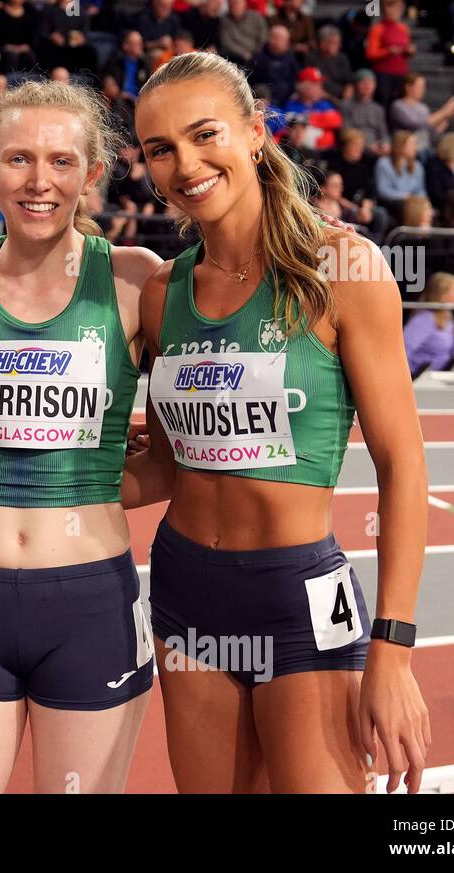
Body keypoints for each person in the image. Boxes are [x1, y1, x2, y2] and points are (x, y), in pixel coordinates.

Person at [132, 51, 431, 794]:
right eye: (159, 149)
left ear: (256, 132)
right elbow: (168, 467)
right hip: (182, 592)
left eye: (206, 135)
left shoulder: (345, 270)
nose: (185, 164)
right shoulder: (163, 292)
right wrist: (30, 471)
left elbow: (403, 465)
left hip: (298, 601)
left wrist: (393, 649)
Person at [0, 80, 169, 794]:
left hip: (90, 603)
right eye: (18, 158)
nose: (39, 180)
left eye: (60, 161)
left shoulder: (135, 279)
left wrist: (93, 485)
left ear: (92, 173)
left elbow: (190, 442)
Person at [403, 272, 454, 376]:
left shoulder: (448, 319)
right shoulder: (423, 320)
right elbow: (403, 351)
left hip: (441, 376)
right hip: (421, 380)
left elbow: (449, 354)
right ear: (443, 294)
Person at [390, 74, 454, 151]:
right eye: (419, 87)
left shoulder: (423, 107)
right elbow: (418, 124)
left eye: (424, 87)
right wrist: (444, 112)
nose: (423, 90)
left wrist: (447, 116)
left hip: (426, 148)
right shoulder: (398, 105)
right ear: (408, 87)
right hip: (407, 150)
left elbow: (431, 133)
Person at [282, 67, 344, 152]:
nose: (320, 88)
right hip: (300, 152)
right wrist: (321, 120)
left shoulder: (324, 103)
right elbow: (289, 124)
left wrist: (308, 118)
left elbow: (336, 120)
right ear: (304, 87)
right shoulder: (293, 103)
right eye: (316, 85)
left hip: (326, 152)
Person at [366, 0, 415, 105]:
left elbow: (407, 49)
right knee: (385, 103)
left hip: (400, 73)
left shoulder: (403, 28)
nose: (396, 11)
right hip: (383, 74)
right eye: (392, 7)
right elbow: (370, 53)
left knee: (399, 104)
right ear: (385, 9)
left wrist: (409, 51)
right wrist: (388, 51)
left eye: (399, 8)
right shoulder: (378, 29)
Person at [339, 70, 391, 155]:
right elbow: (346, 132)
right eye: (363, 82)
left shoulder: (378, 109)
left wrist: (385, 144)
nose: (367, 85)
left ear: (375, 85)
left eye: (370, 82)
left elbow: (383, 133)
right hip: (355, 146)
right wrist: (367, 145)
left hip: (376, 146)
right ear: (355, 85)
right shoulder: (345, 105)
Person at [251, 25, 303, 108]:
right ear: (270, 39)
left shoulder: (291, 59)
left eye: (284, 39)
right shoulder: (258, 58)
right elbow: (253, 83)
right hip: (266, 101)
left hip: (289, 101)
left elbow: (297, 79)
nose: (280, 42)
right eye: (277, 38)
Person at [375, 130, 426, 215]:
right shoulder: (384, 163)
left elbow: (421, 190)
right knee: (406, 207)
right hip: (392, 202)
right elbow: (383, 190)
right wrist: (404, 196)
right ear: (401, 146)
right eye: (411, 144)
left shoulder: (418, 166)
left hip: (412, 203)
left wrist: (421, 201)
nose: (415, 148)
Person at [0, 0, 38, 73]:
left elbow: (33, 35)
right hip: (4, 48)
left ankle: (30, 82)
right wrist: (9, 47)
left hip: (24, 48)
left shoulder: (30, 13)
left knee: (30, 56)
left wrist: (26, 46)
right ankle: (9, 81)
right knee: (12, 56)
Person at [309, 25, 355, 100]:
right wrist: (337, 94)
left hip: (342, 95)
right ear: (323, 43)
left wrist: (349, 88)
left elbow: (348, 79)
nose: (339, 46)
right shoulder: (312, 58)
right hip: (322, 95)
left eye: (338, 43)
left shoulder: (342, 58)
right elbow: (321, 81)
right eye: (334, 43)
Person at [102, 31, 149, 103]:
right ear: (125, 46)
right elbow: (107, 80)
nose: (141, 46)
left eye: (141, 43)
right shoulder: (115, 61)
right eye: (137, 44)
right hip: (119, 100)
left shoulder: (143, 64)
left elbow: (148, 88)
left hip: (137, 102)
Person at [220, 0, 269, 68]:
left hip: (256, 53)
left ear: (245, 4)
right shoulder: (224, 19)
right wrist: (242, 53)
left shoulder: (256, 17)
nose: (235, 6)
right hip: (234, 55)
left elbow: (263, 36)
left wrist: (254, 53)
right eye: (232, 4)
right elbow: (226, 41)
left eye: (237, 3)